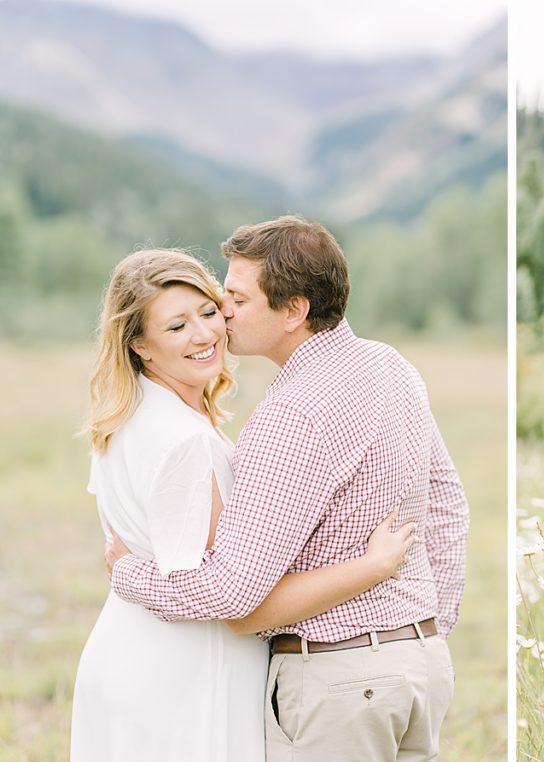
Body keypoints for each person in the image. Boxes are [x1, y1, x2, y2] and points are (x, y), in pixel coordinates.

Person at [106, 216, 470, 761]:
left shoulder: (291, 414)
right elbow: (448, 505)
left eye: (237, 298)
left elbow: (232, 591)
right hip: (422, 666)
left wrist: (129, 574)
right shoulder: (391, 366)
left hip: (339, 684)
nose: (224, 311)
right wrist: (431, 628)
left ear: (294, 310)